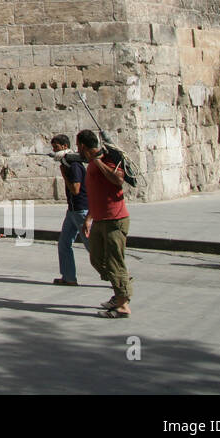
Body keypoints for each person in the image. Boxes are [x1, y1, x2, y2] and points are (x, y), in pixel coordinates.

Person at [79, 129, 132, 318]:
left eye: (78, 146)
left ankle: (122, 305)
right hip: (99, 220)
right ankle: (122, 287)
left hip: (115, 220)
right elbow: (97, 194)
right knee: (97, 259)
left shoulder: (107, 158)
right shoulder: (91, 164)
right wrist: (88, 219)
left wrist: (98, 162)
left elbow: (118, 180)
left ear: (83, 146)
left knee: (114, 263)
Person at [50, 133, 88, 285]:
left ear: (65, 146)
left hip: (81, 210)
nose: (54, 150)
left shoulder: (74, 165)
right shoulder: (68, 163)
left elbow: (76, 190)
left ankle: (117, 276)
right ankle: (68, 277)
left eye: (56, 147)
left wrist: (64, 175)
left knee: (92, 247)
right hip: (72, 211)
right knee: (64, 244)